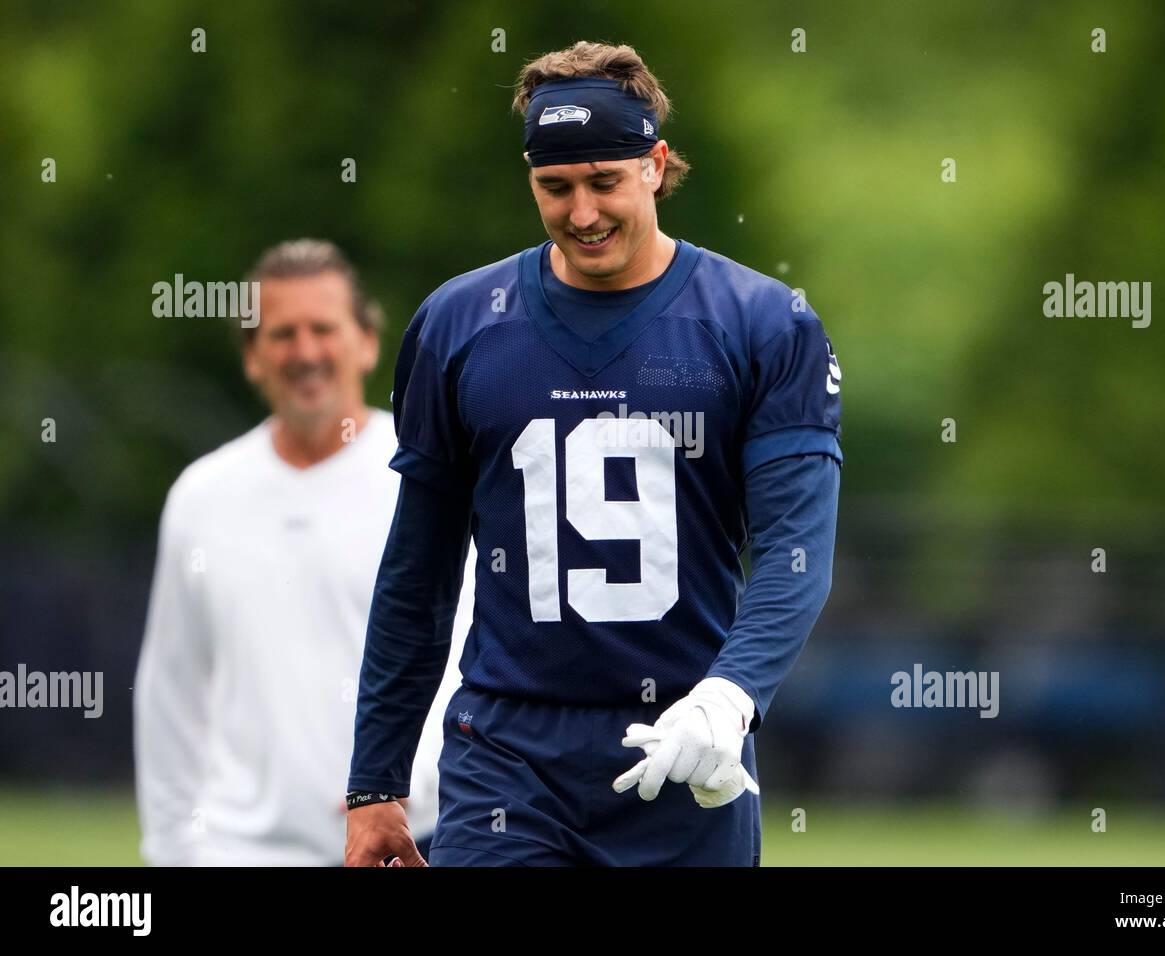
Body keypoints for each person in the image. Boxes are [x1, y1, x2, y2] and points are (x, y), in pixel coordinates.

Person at [345, 40, 841, 868]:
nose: (582, 213)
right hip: (507, 753)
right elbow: (418, 571)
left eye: (604, 181)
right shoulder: (462, 323)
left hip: (682, 746)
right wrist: (374, 782)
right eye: (555, 186)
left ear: (655, 164)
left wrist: (730, 698)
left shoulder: (761, 322)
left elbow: (796, 551)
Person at [134, 239, 471, 866]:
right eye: (283, 334)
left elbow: (480, 648)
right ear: (253, 358)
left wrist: (411, 780)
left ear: (367, 342)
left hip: (413, 842)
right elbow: (170, 695)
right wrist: (174, 849)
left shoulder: (432, 470)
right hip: (247, 853)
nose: (306, 352)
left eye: (324, 328)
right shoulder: (201, 497)